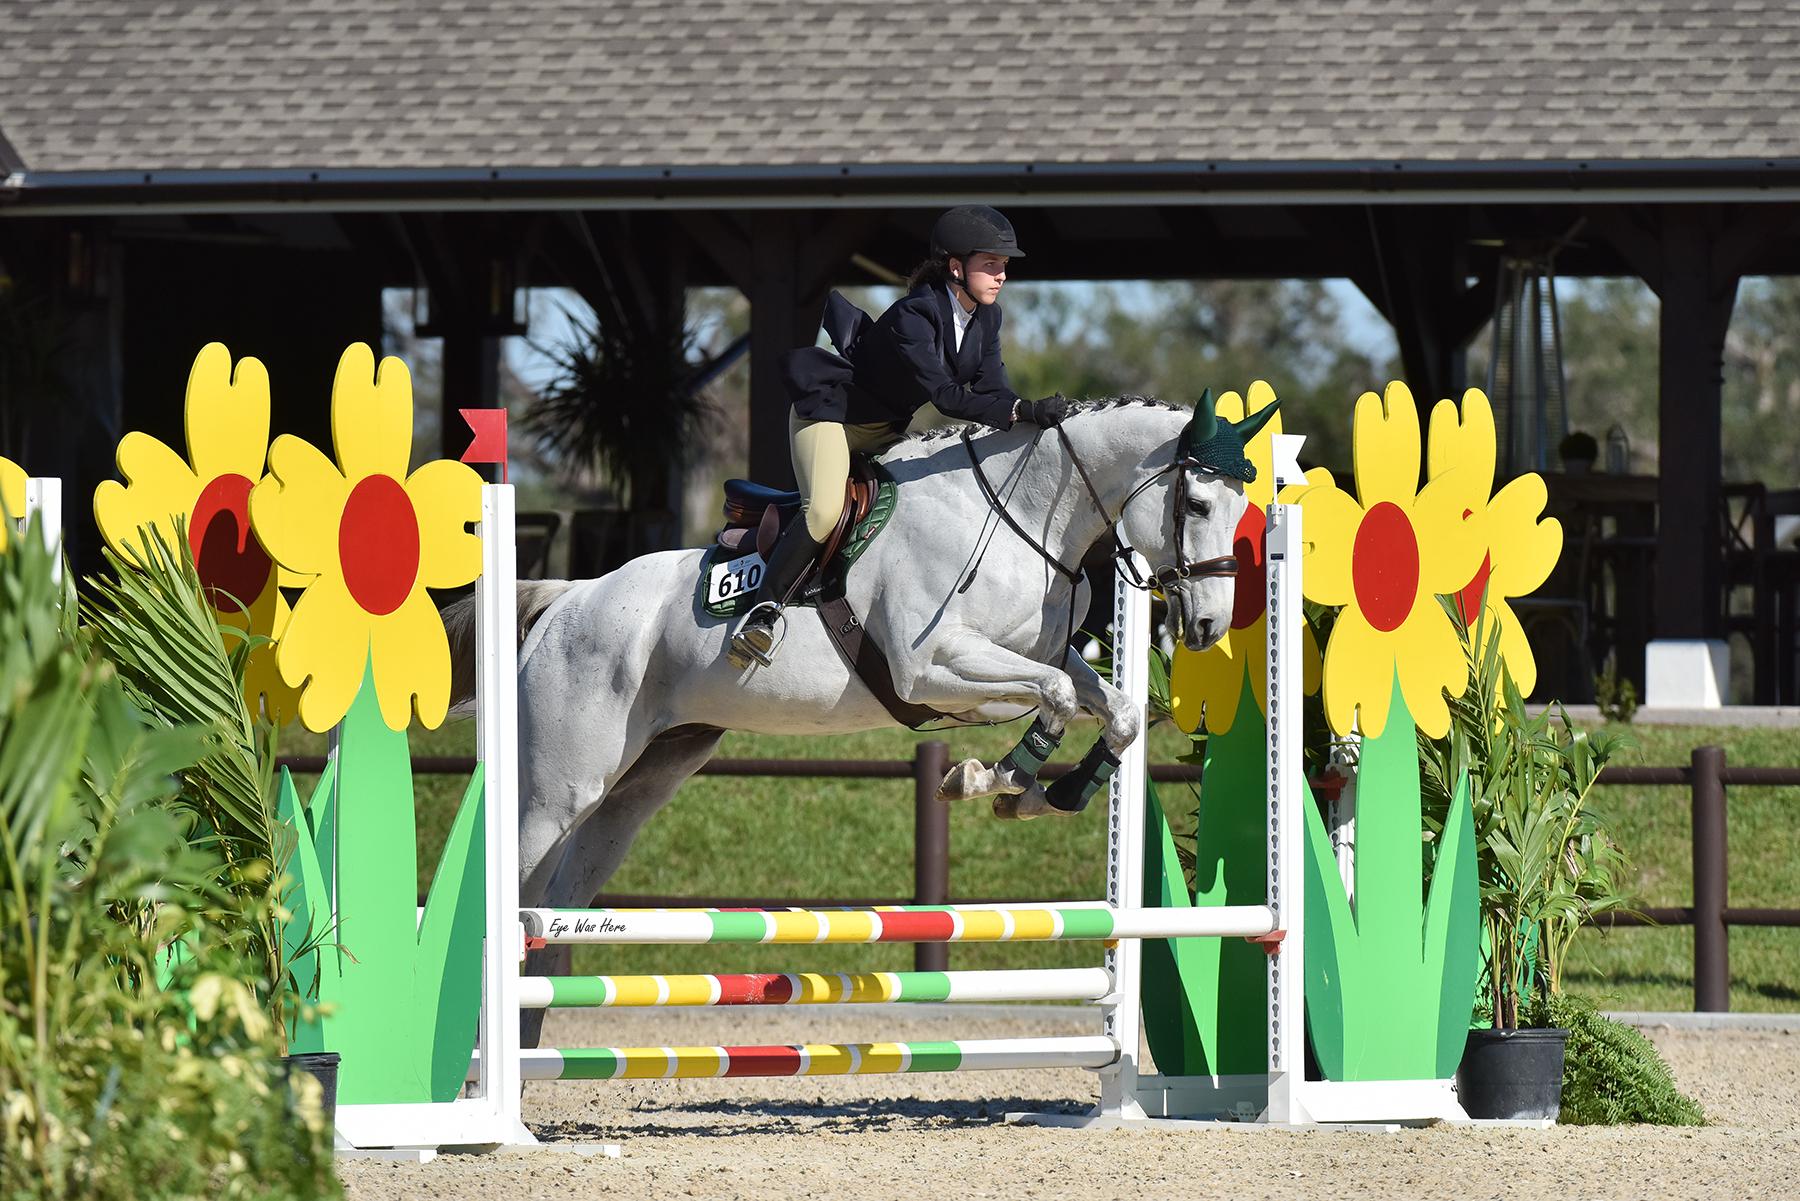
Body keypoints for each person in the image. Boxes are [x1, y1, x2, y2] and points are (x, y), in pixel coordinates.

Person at [728, 204, 1068, 667]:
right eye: (990, 264)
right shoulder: (914, 315)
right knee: (824, 511)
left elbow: (992, 389)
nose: (1001, 274)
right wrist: (1019, 410)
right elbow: (948, 397)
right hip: (829, 420)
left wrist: (1029, 418)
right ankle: (760, 613)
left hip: (884, 431)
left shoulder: (987, 318)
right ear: (956, 267)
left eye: (1003, 265)